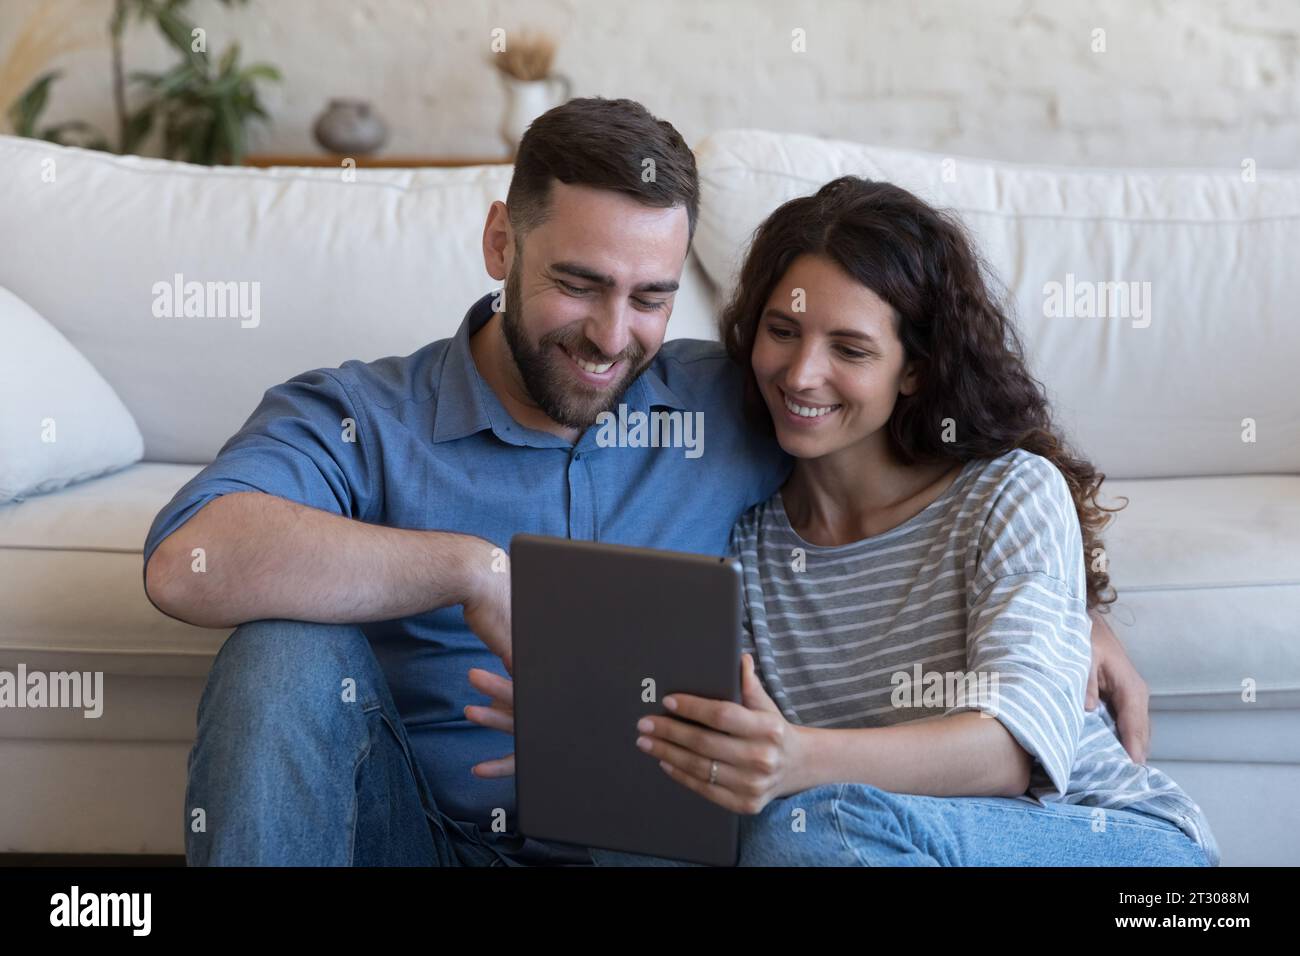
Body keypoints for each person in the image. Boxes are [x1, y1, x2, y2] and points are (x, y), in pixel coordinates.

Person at [143, 97, 1150, 866]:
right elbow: (190, 563)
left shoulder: (734, 396)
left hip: (657, 848)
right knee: (281, 651)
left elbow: (933, 456)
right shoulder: (368, 415)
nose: (610, 335)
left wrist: (1074, 615)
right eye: (578, 283)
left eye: (650, 296)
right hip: (427, 835)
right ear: (503, 242)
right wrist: (469, 569)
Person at [566, 176, 1218, 866]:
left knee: (819, 824)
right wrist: (595, 727)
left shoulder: (1010, 493)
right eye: (782, 332)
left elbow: (1009, 753)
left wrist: (799, 761)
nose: (801, 375)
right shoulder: (745, 542)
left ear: (915, 370)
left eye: (850, 349)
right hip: (873, 848)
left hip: (1108, 839)